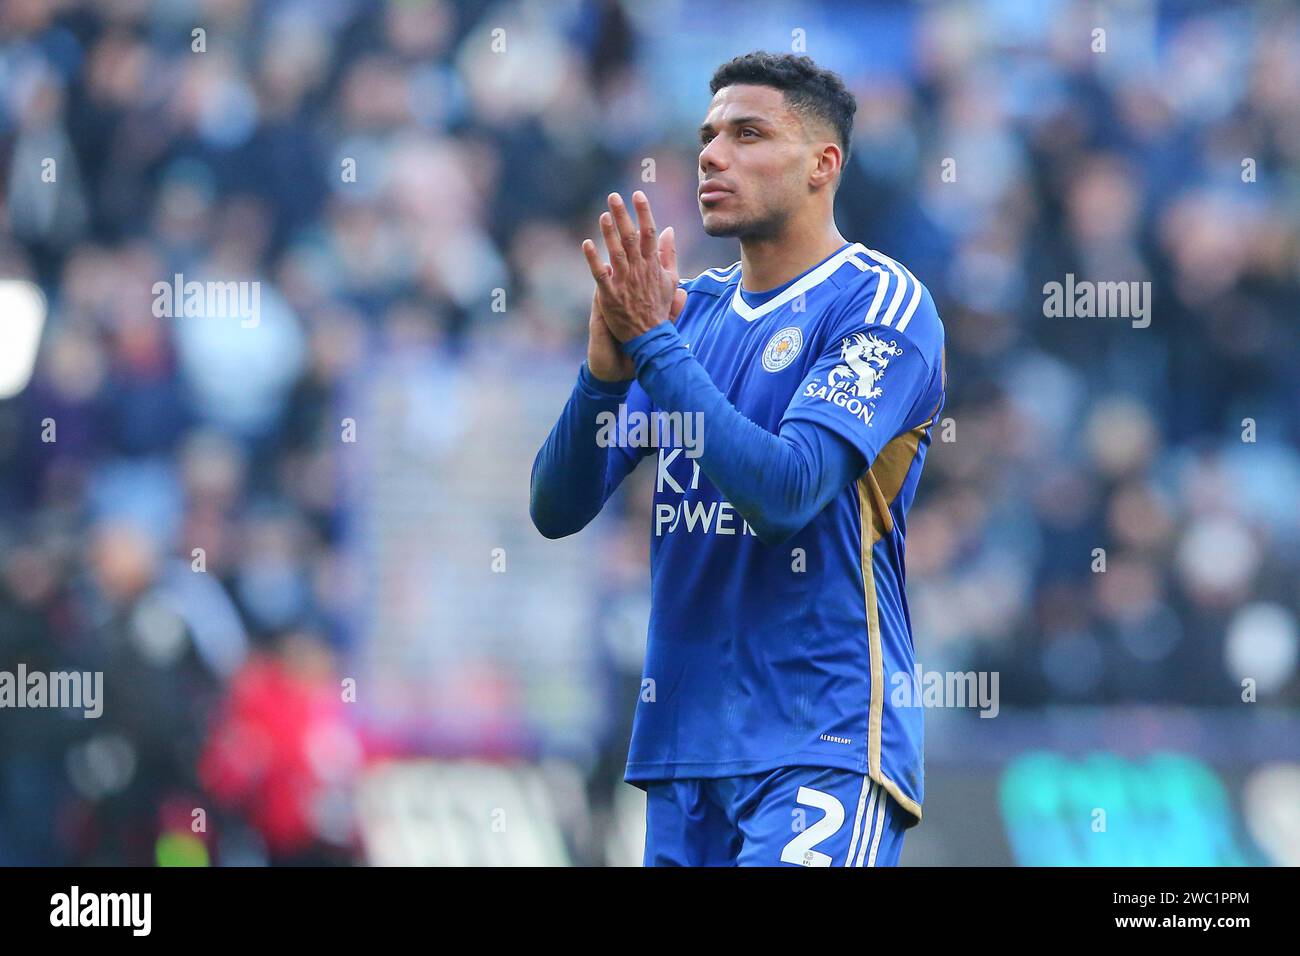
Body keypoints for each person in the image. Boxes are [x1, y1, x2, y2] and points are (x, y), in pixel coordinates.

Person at [531, 51, 946, 867]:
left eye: (749, 134)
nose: (713, 155)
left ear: (823, 164)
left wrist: (652, 342)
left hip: (818, 743)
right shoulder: (694, 314)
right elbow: (556, 507)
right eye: (708, 135)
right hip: (685, 757)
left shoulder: (881, 302)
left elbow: (786, 490)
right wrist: (603, 381)